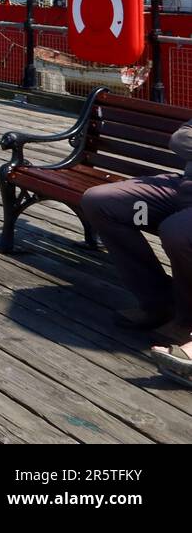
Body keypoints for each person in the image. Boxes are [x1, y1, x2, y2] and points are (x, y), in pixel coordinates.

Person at [80, 121, 192, 384]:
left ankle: (188, 322)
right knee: (100, 202)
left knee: (177, 231)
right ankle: (161, 302)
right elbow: (180, 138)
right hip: (183, 186)